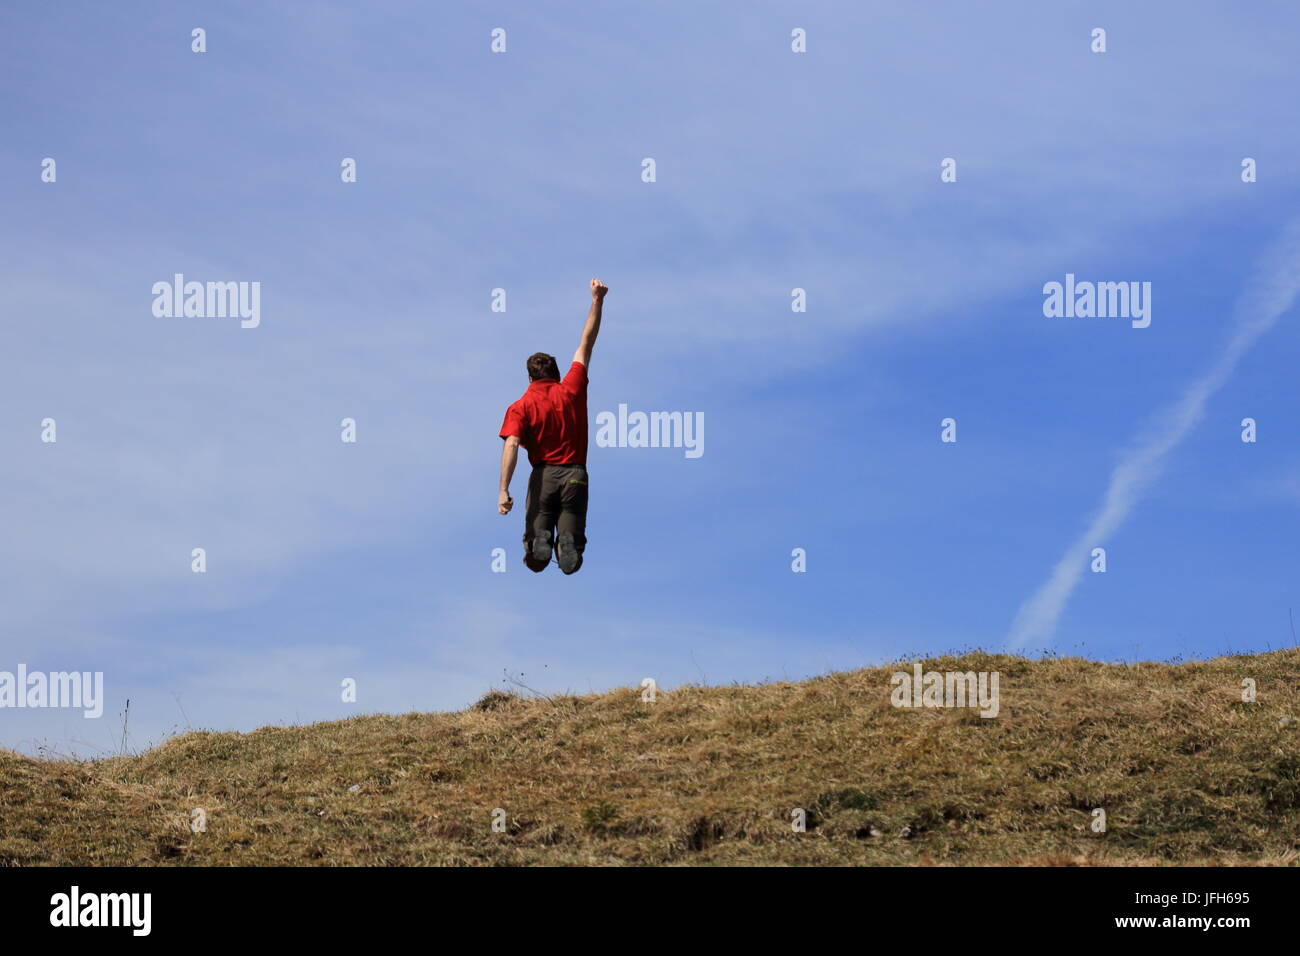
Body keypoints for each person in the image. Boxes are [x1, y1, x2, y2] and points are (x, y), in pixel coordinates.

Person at [497, 278, 607, 574]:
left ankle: (539, 544)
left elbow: (511, 444)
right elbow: (587, 342)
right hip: (576, 475)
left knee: (539, 529)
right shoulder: (572, 387)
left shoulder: (521, 406)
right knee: (571, 525)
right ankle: (569, 544)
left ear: (530, 379)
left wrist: (503, 489)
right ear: (557, 373)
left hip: (544, 475)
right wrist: (597, 300)